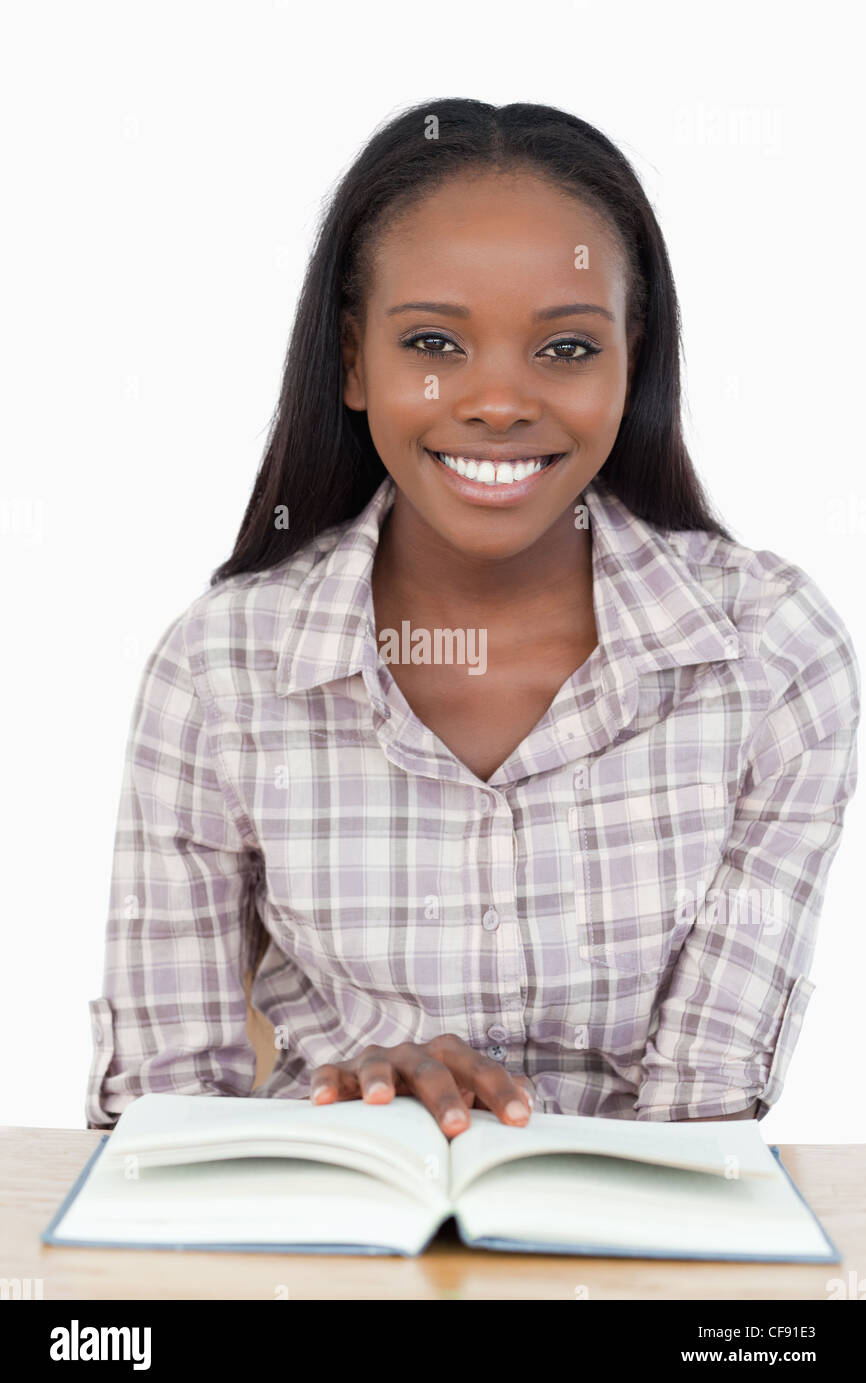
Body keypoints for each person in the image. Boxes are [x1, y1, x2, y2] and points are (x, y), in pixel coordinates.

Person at [86, 99, 859, 1138]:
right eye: (435, 342)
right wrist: (362, 1119)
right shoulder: (221, 671)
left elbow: (698, 1126)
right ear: (355, 362)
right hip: (318, 1252)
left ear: (630, 361)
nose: (498, 401)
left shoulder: (769, 658)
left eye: (566, 350)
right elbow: (158, 1124)